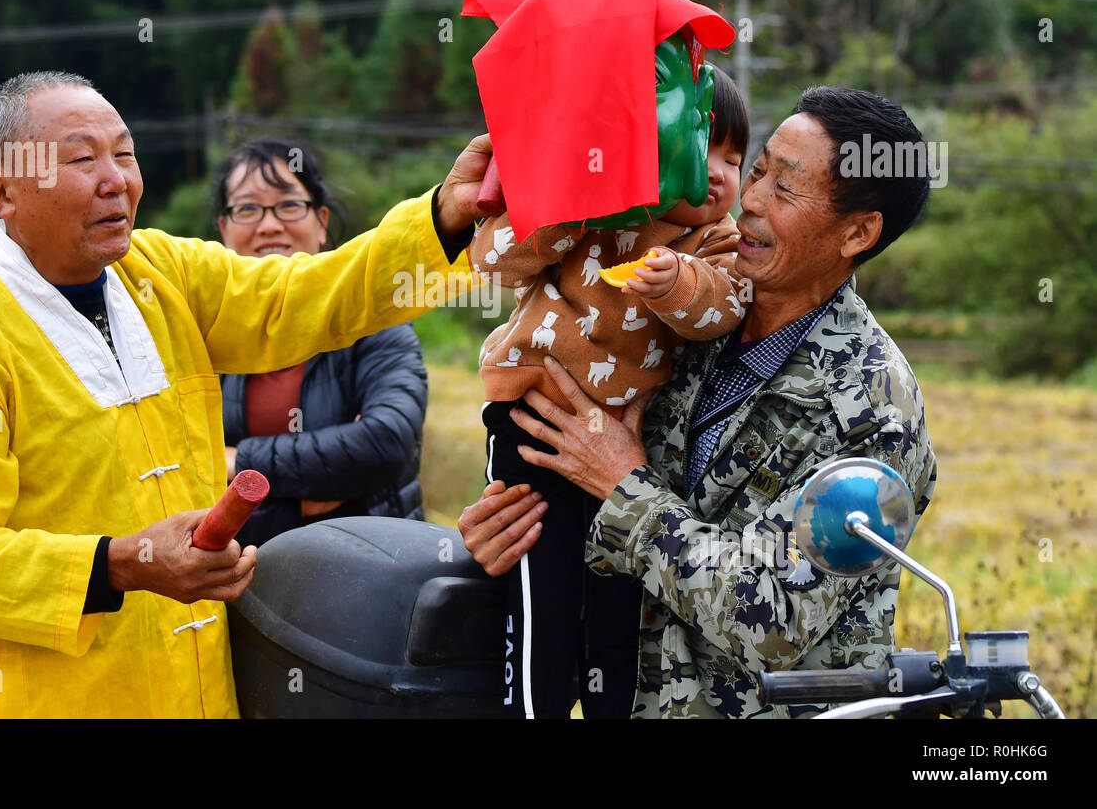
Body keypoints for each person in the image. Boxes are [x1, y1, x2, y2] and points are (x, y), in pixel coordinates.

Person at [0, 71, 486, 718]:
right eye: (83, 159)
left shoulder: (162, 274)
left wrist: (442, 220)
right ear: (2, 191)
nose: (116, 179)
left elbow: (303, 295)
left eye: (124, 153)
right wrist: (119, 564)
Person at [459, 86, 937, 718]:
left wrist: (623, 488)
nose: (752, 200)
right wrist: (514, 527)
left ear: (857, 232)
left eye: (786, 188)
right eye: (759, 169)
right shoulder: (682, 320)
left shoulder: (874, 407)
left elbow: (776, 619)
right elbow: (581, 465)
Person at [474, 67, 750, 719]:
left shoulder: (714, 239)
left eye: (735, 158)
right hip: (534, 424)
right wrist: (575, 210)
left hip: (628, 448)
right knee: (540, 589)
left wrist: (676, 282)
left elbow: (726, 303)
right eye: (698, 146)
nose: (718, 173)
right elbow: (494, 255)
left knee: (616, 611)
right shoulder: (590, 207)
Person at [214, 139, 428, 546]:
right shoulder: (204, 335)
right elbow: (174, 476)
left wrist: (236, 462)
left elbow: (386, 443)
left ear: (322, 221)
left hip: (372, 573)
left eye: (289, 205)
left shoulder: (375, 319)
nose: (270, 224)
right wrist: (295, 504)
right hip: (236, 584)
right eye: (247, 208)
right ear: (224, 230)